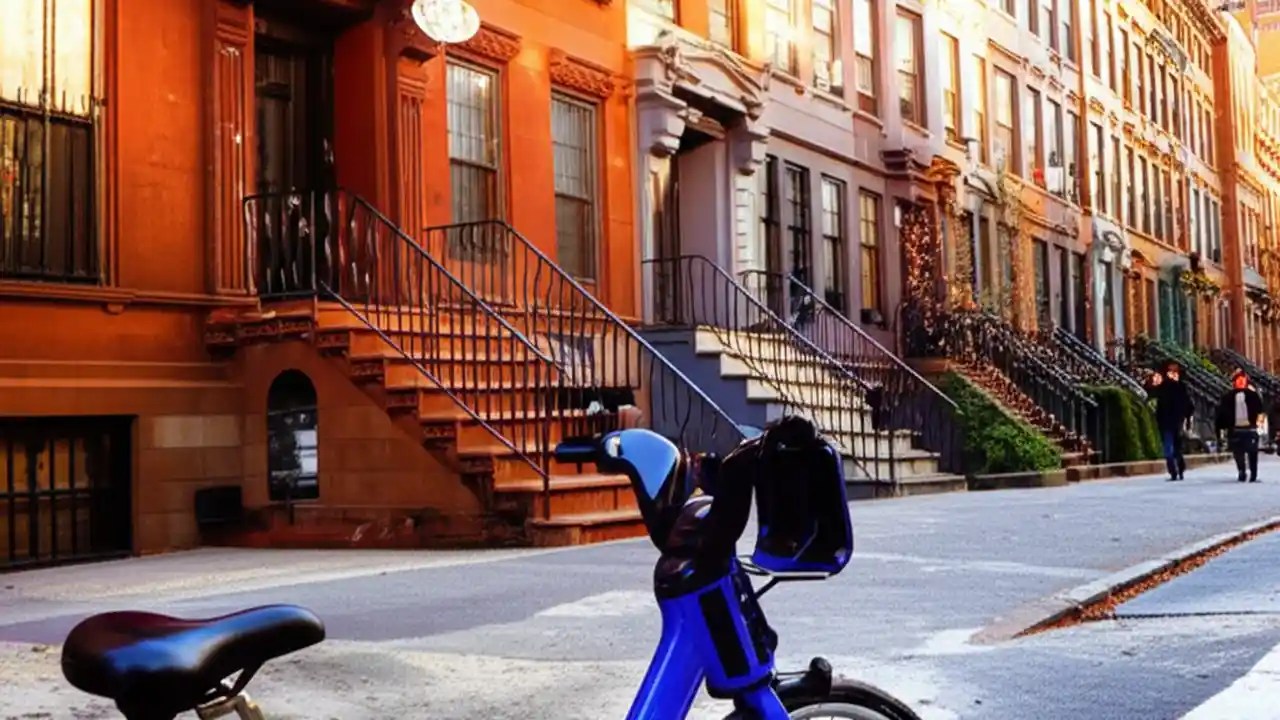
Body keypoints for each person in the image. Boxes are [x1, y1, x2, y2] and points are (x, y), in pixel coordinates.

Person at [1146, 361, 1194, 481]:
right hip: (1170, 420)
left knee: (1173, 446)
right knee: (1173, 446)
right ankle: (1176, 469)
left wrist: (1187, 417)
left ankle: (1176, 469)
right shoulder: (1169, 387)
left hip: (1172, 421)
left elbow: (1188, 405)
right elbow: (1188, 405)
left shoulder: (1178, 387)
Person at [1215, 370, 1264, 483]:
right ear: (1234, 382)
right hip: (1235, 428)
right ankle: (1241, 471)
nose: (1241, 382)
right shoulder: (1228, 397)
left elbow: (1260, 410)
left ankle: (1253, 473)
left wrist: (1259, 423)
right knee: (1238, 452)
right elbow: (1222, 413)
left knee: (1252, 451)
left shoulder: (1253, 395)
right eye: (1238, 380)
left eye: (1243, 380)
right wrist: (1221, 428)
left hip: (1250, 427)